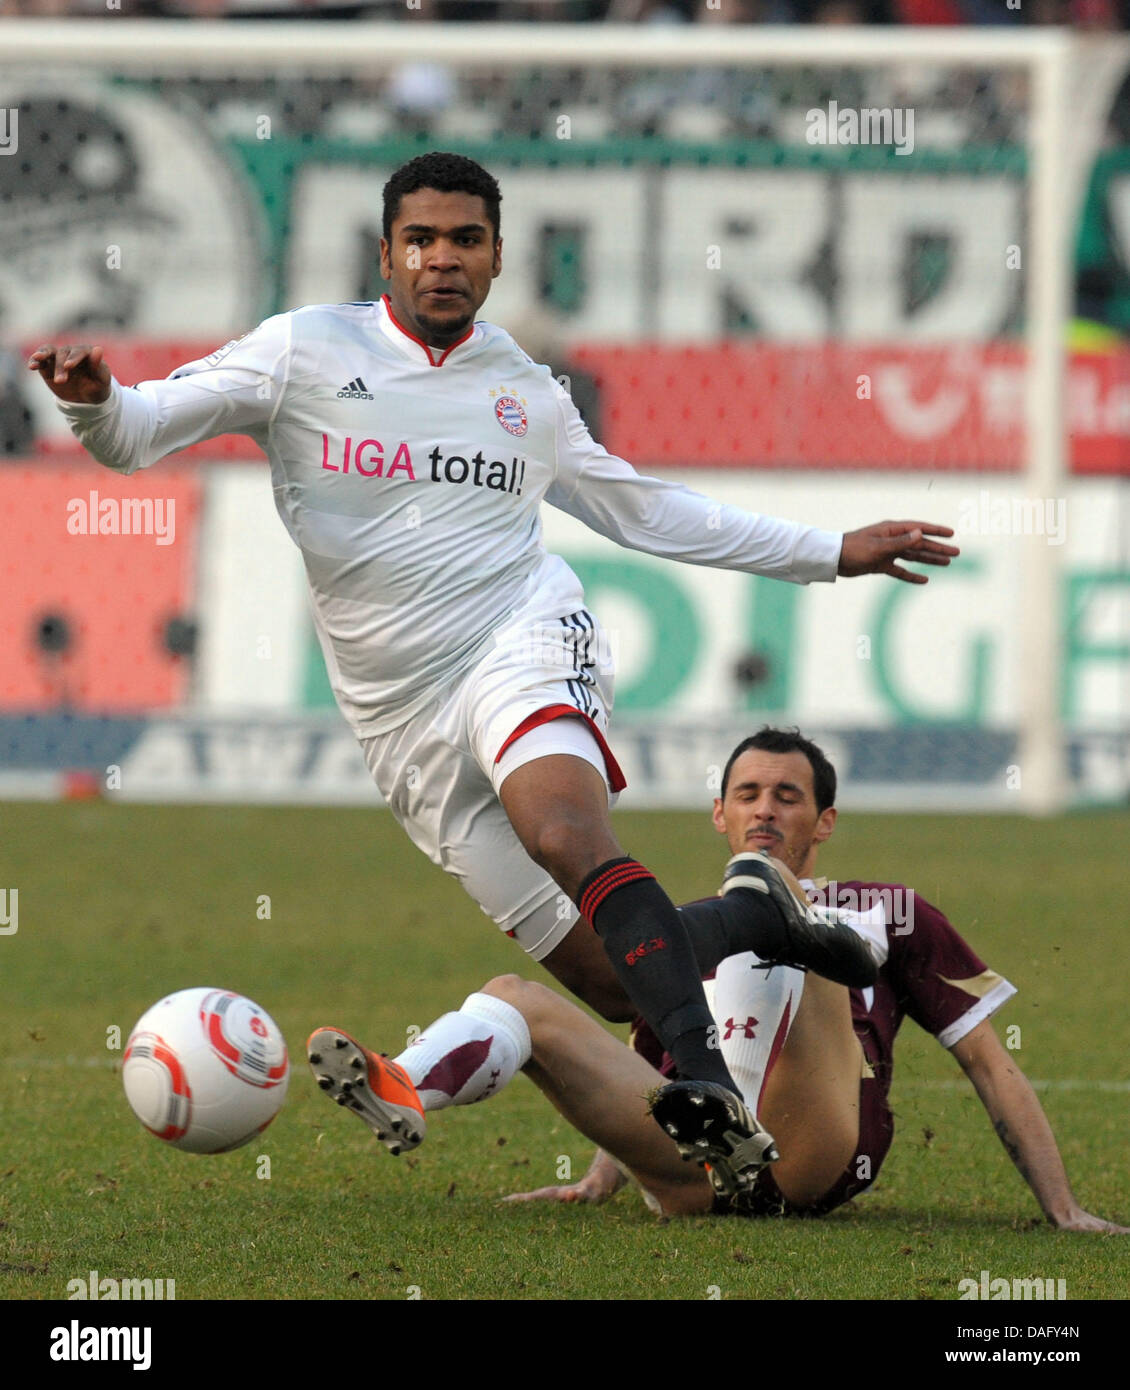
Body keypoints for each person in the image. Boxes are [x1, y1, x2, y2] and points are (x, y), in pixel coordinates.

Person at [30, 150, 957, 1194]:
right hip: (400, 715)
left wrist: (828, 550)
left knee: (565, 831)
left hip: (518, 635)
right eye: (420, 240)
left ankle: (708, 1090)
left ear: (497, 256)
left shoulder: (524, 391)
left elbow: (644, 509)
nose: (441, 260)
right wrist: (96, 402)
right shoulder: (299, 353)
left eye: (464, 240)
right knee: (609, 980)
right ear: (384, 253)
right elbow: (139, 430)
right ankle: (754, 916)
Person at [309, 727, 1127, 1231]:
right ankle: (405, 1082)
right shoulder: (672, 922)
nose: (767, 808)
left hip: (804, 1157)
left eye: (788, 796)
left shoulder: (896, 913)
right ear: (720, 813)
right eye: (748, 794)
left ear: (825, 820)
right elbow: (646, 1058)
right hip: (690, 1177)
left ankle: (789, 925)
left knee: (793, 925)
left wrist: (1063, 1208)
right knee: (518, 995)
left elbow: (989, 1061)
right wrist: (603, 1175)